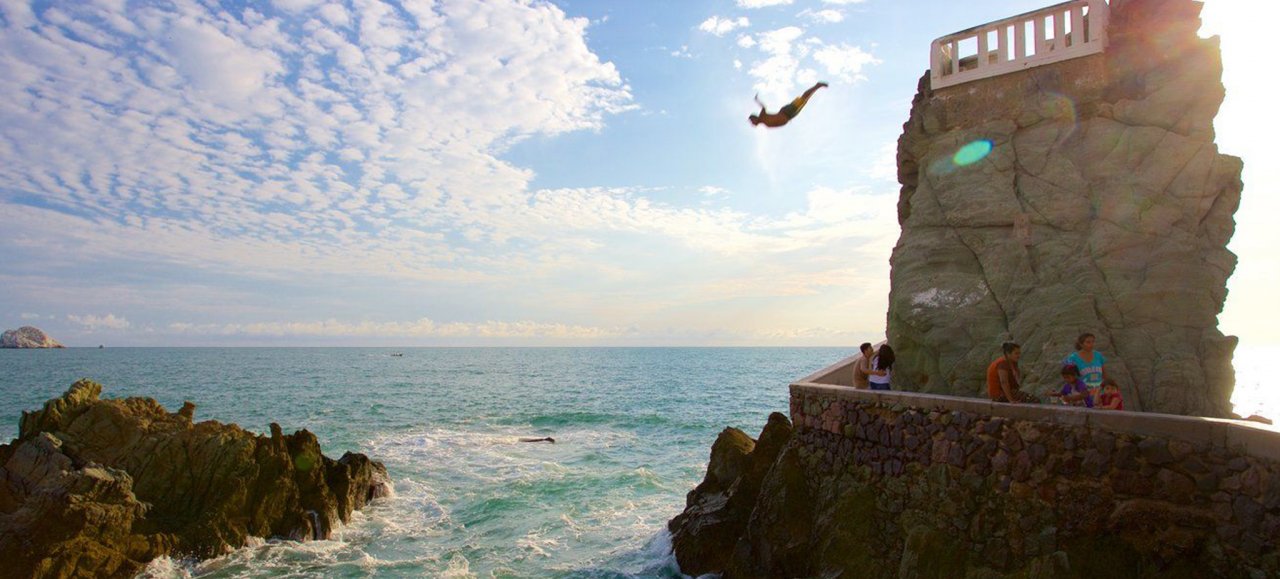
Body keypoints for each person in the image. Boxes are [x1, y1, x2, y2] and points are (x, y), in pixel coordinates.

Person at [748, 82, 828, 128]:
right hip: (790, 116)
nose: (751, 123)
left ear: (755, 118)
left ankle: (817, 85)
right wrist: (785, 121)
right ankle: (817, 87)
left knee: (803, 99)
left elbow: (764, 107)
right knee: (804, 101)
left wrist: (757, 100)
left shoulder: (762, 116)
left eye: (751, 121)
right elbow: (779, 124)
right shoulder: (767, 125)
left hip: (786, 111)